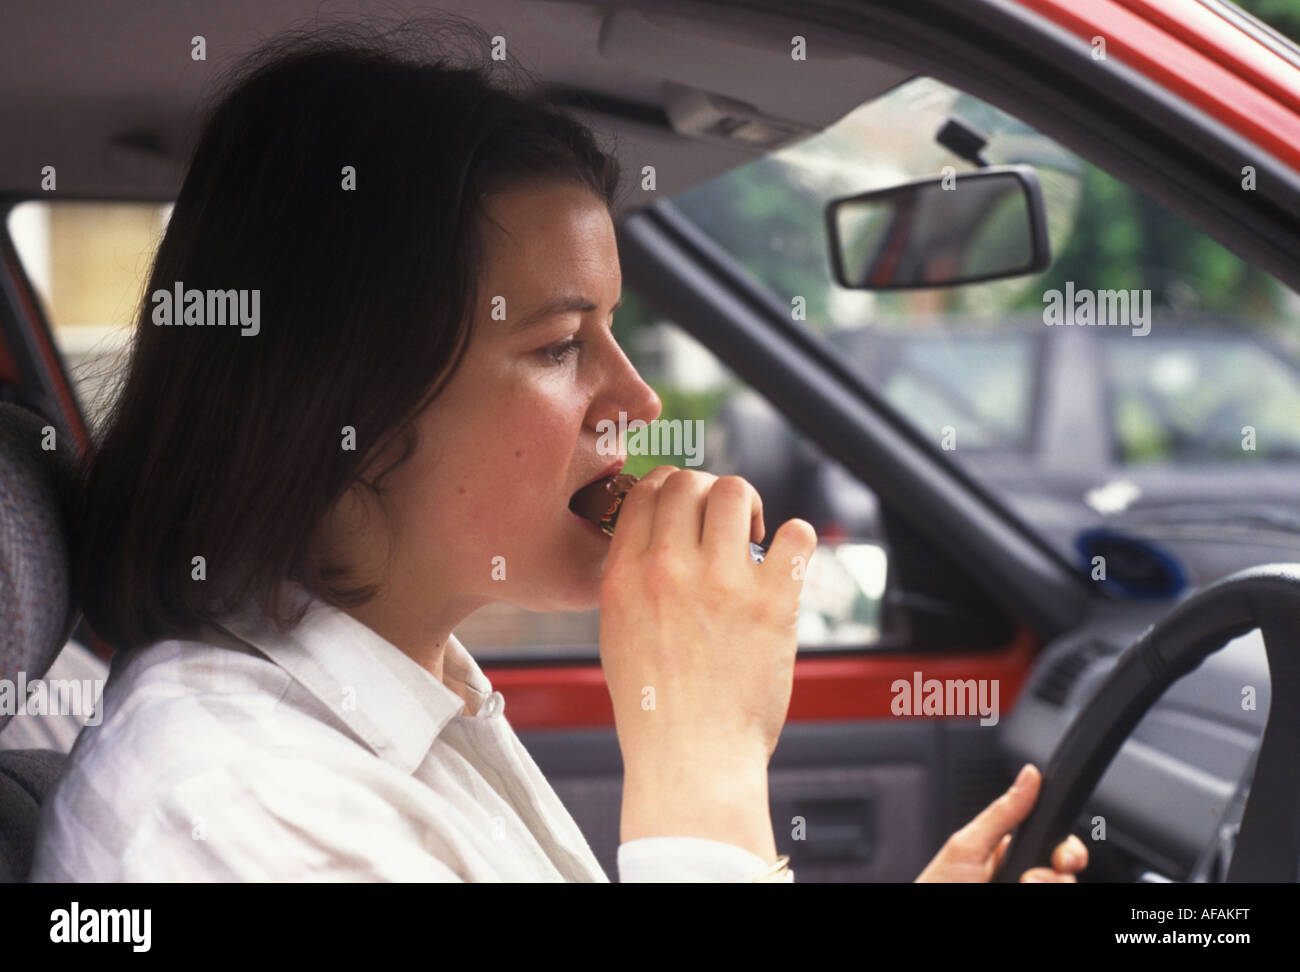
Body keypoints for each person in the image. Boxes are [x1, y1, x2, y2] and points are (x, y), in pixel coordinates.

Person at [30, 19, 1086, 883]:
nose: (637, 398)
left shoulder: (400, 692)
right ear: (345, 406)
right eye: (558, 345)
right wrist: (700, 756)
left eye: (611, 331)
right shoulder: (242, 809)